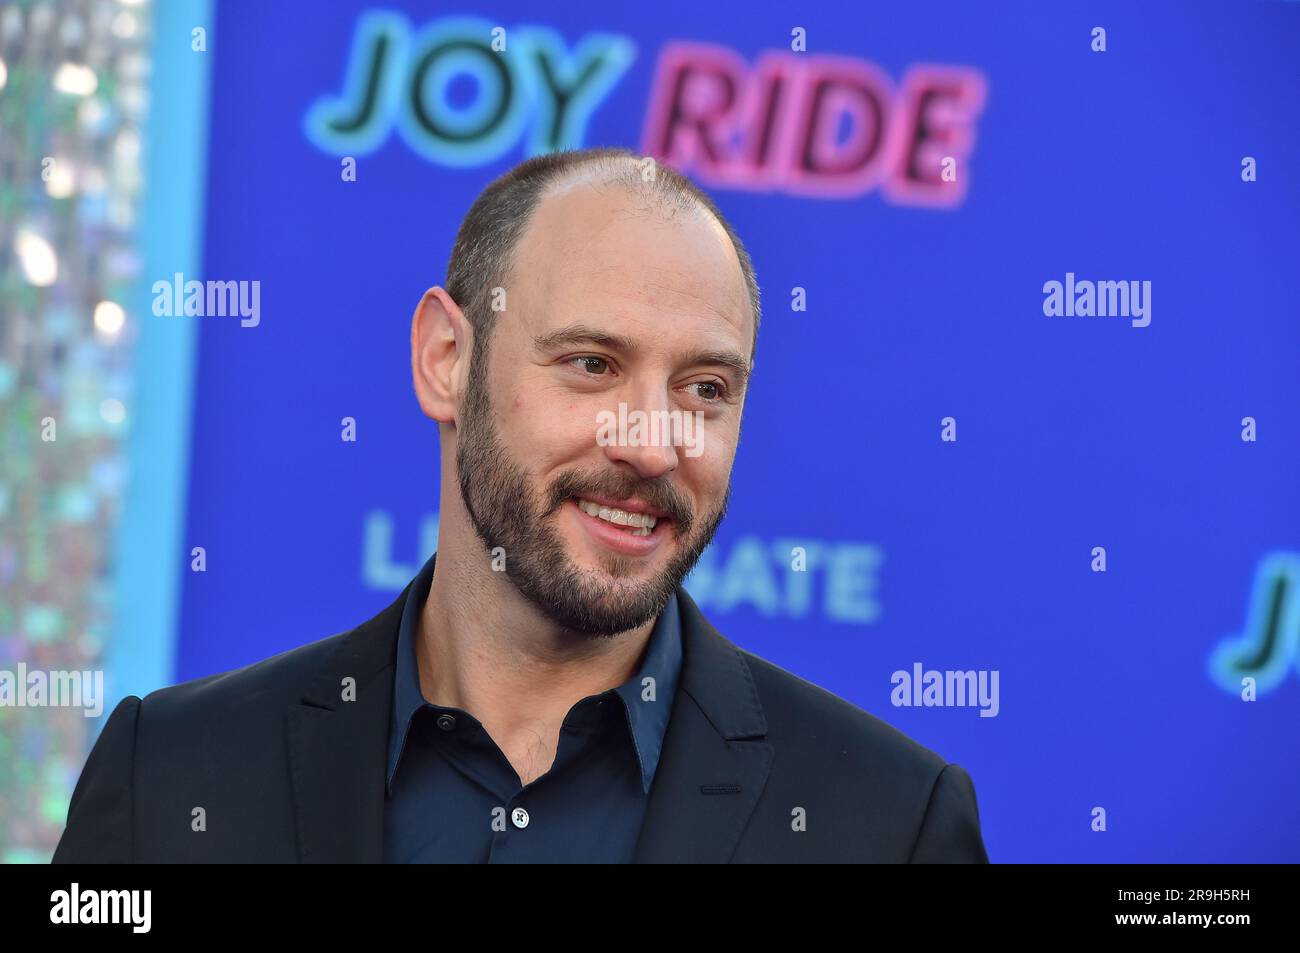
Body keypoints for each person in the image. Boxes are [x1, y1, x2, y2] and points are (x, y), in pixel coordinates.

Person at [53, 147, 989, 863]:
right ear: (445, 362)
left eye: (705, 389)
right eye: (592, 365)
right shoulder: (170, 777)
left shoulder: (889, 825)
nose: (651, 443)